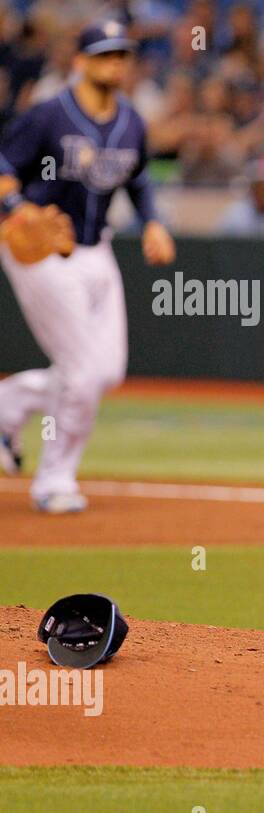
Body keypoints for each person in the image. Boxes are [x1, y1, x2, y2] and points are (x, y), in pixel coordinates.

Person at [0, 20, 176, 514]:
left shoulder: (132, 122)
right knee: (80, 373)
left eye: (121, 54)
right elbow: (3, 166)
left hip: (97, 250)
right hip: (42, 252)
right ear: (79, 62)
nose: (115, 63)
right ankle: (53, 481)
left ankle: (7, 406)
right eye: (103, 54)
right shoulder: (49, 116)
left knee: (105, 371)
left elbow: (138, 179)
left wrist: (153, 224)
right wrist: (17, 209)